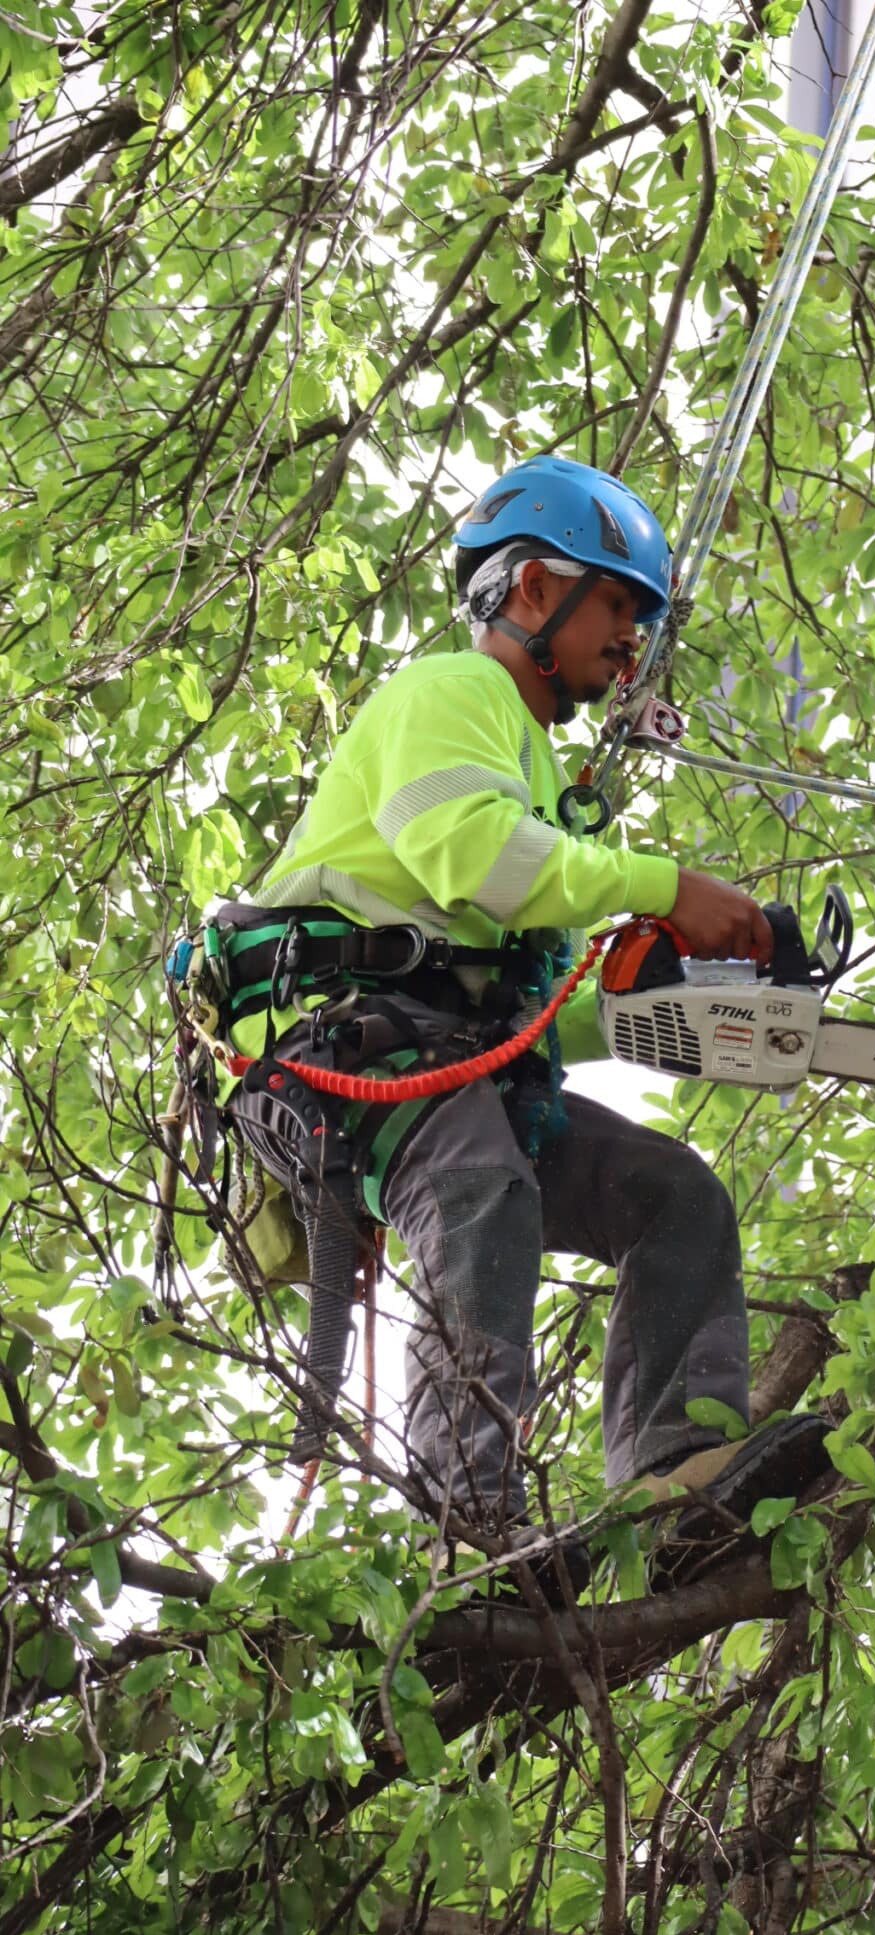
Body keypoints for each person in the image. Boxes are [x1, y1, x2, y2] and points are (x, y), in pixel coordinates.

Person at [228, 456, 831, 1600]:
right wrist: (658, 881)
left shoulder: (539, 771)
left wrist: (685, 1009)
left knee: (675, 1197)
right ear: (529, 590)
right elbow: (476, 855)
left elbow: (532, 1011)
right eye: (617, 605)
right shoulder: (451, 696)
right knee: (479, 1189)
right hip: (337, 1051)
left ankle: (677, 1477)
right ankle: (468, 1530)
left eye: (639, 617)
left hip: (457, 1068)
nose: (632, 639)